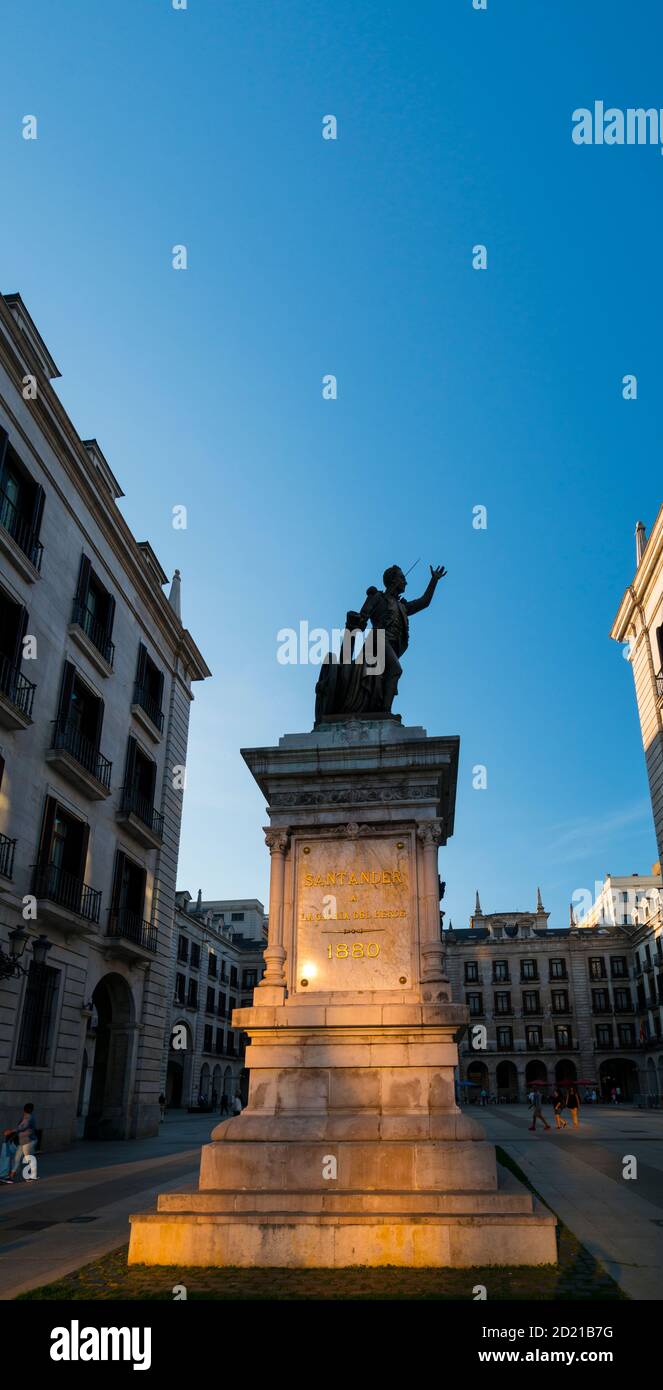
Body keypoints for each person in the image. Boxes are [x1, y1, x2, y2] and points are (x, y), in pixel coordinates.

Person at [7, 1103, 38, 1181]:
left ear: (24, 1109)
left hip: (28, 1142)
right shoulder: (27, 1116)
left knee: (28, 1158)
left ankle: (32, 1175)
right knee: (17, 1158)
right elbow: (21, 1127)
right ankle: (11, 1175)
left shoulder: (28, 1117)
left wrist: (11, 1131)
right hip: (23, 1141)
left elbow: (22, 1127)